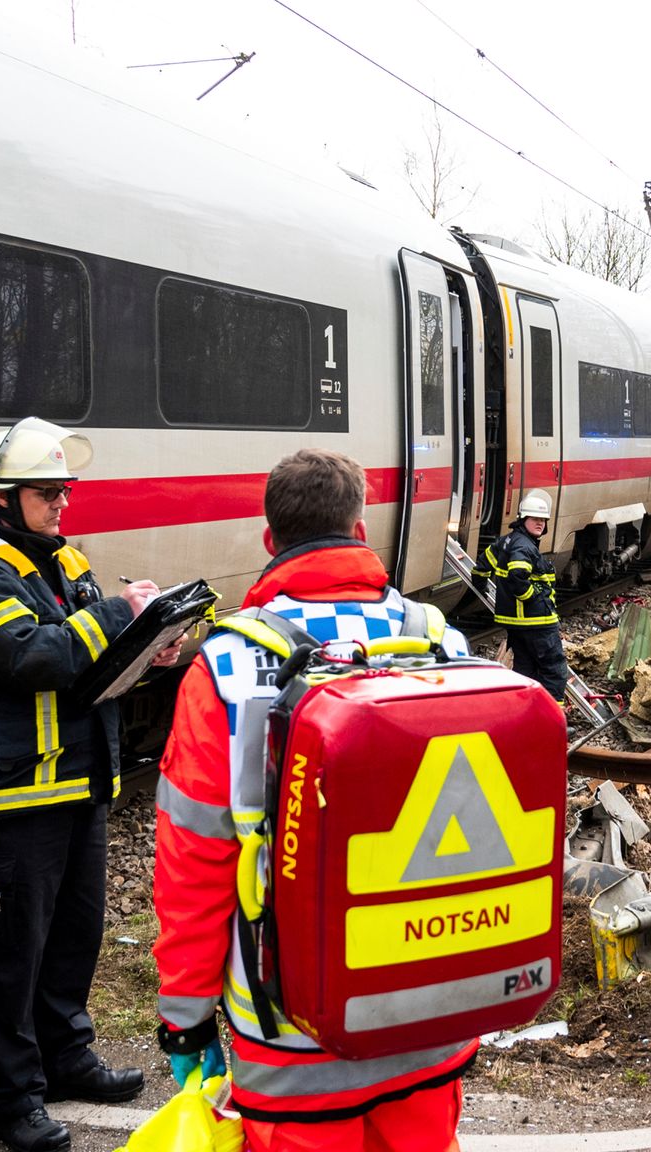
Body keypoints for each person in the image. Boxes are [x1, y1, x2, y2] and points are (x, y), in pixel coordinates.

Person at [152, 449, 477, 1152]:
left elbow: (194, 865)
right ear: (360, 529)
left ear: (271, 541)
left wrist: (184, 1016)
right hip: (427, 1005)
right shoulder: (440, 640)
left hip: (292, 1033)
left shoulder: (227, 667)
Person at [0, 417, 167, 1152]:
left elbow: (89, 657)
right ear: (1, 496)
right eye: (48, 491)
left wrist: (151, 642)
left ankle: (66, 1059)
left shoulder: (60, 560)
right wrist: (119, 612)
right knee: (15, 954)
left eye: (66, 488)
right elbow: (34, 657)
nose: (63, 502)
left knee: (73, 936)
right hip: (15, 794)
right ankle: (13, 1096)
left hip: (77, 782)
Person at [473, 489, 571, 700]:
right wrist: (532, 598)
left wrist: (479, 584)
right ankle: (553, 719)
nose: (540, 524)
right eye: (535, 519)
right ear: (523, 519)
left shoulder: (506, 541)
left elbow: (482, 564)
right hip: (536, 621)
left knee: (525, 670)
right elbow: (518, 575)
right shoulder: (524, 546)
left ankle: (527, 714)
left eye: (543, 520)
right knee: (554, 670)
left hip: (517, 623)